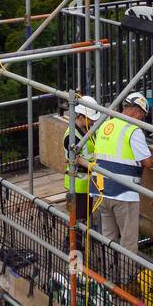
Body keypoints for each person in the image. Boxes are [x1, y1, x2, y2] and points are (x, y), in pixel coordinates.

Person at [90, 93, 153, 253]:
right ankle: (127, 277)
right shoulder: (133, 129)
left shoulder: (105, 125)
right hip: (124, 194)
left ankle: (109, 275)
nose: (141, 120)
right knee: (129, 243)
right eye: (143, 116)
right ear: (137, 111)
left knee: (108, 239)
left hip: (101, 191)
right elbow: (147, 162)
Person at [63, 95, 101, 228]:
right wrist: (93, 166)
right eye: (90, 119)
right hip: (77, 185)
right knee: (77, 222)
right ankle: (72, 247)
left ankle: (80, 246)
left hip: (87, 183)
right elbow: (75, 158)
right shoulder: (72, 135)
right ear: (80, 116)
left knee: (84, 219)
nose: (92, 122)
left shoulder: (87, 130)